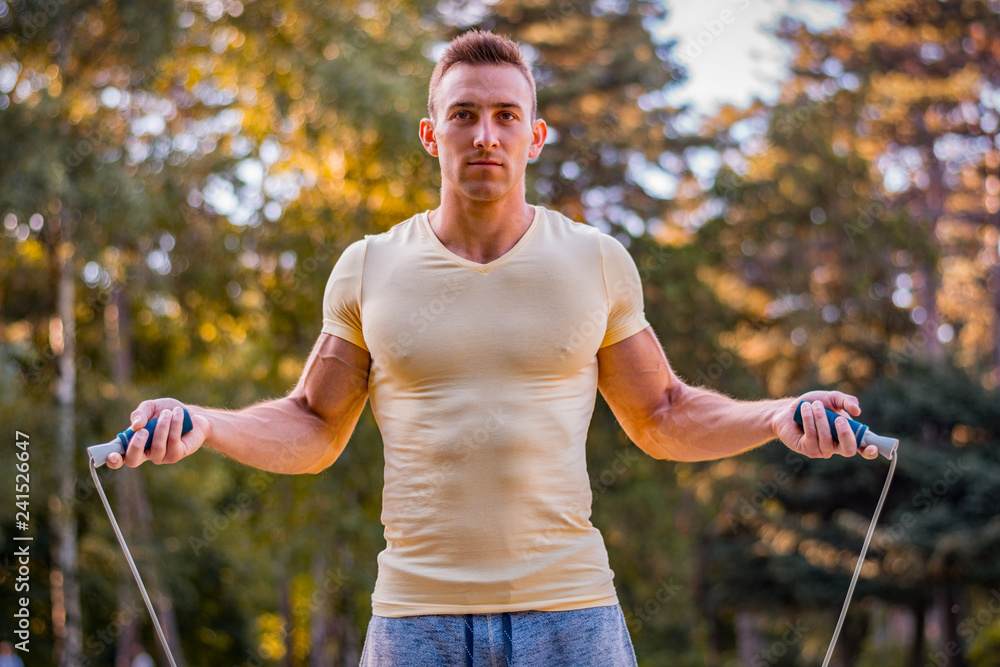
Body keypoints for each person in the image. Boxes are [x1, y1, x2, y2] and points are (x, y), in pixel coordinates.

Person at [109, 29, 878, 666]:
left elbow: (663, 412)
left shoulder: (596, 260)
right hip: (417, 624)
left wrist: (778, 414)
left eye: (508, 116)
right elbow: (312, 424)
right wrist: (205, 422)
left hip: (573, 619)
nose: (485, 135)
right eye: (465, 114)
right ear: (430, 132)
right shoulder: (369, 265)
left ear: (535, 136)